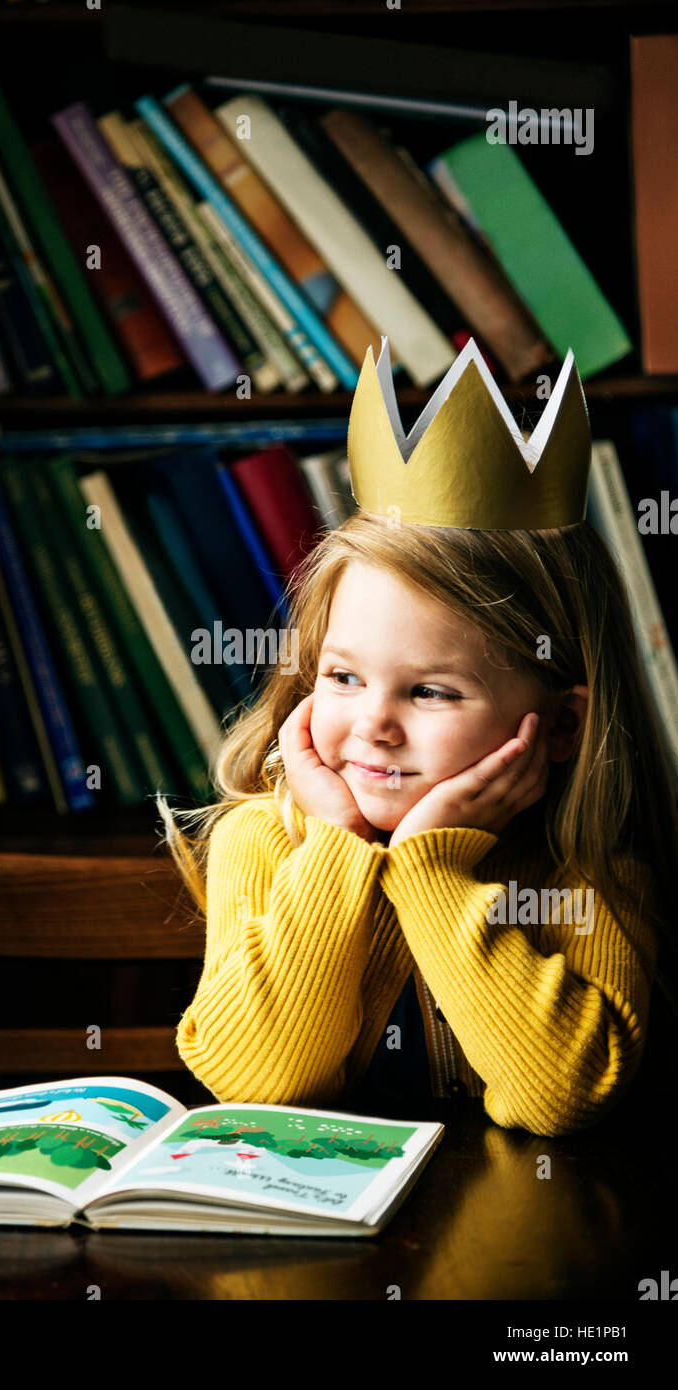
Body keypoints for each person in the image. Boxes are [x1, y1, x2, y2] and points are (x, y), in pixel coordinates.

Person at [156, 338, 678, 1138]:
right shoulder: (264, 843)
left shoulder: (589, 866)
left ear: (564, 723)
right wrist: (334, 846)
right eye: (341, 678)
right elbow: (257, 1082)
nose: (372, 724)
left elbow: (564, 1098)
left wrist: (432, 866)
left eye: (430, 690)